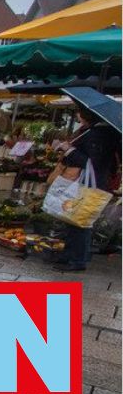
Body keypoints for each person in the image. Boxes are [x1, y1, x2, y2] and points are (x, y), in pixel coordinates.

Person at [50, 107, 121, 272]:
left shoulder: (98, 134)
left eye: (79, 112)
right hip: (93, 183)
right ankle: (69, 256)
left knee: (80, 224)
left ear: (86, 115)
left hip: (90, 184)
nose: (77, 115)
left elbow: (90, 162)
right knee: (74, 221)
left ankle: (77, 260)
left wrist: (68, 150)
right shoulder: (103, 132)